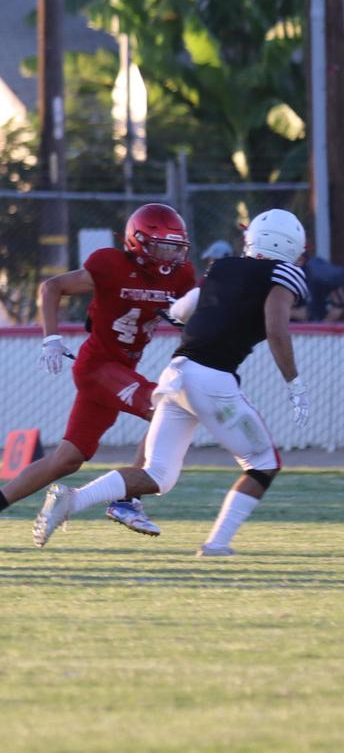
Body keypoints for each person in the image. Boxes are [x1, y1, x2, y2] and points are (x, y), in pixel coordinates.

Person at [35, 209, 310, 558]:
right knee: (263, 463)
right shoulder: (286, 273)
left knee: (158, 476)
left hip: (176, 374)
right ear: (291, 245)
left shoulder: (222, 267)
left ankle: (71, 501)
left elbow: (181, 310)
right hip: (212, 380)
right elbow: (276, 328)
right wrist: (294, 384)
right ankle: (217, 545)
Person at [0, 204, 193, 549]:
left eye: (175, 246)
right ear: (137, 243)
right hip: (97, 367)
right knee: (165, 408)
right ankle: (124, 500)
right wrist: (51, 338)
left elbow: (191, 312)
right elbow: (52, 287)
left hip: (121, 371)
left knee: (67, 460)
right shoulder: (110, 264)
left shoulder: (181, 277)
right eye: (161, 245)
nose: (169, 255)